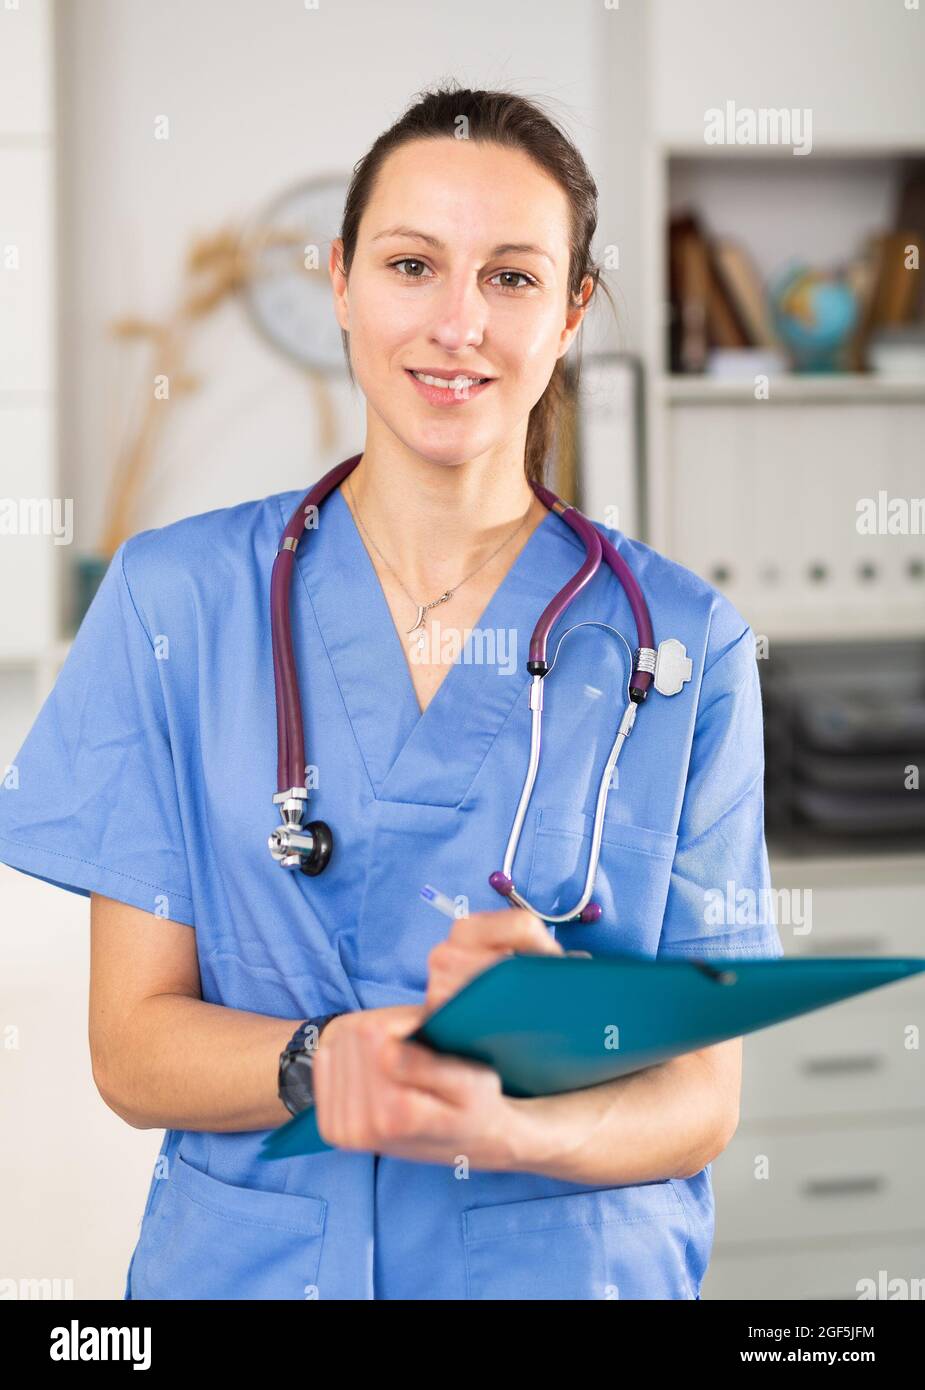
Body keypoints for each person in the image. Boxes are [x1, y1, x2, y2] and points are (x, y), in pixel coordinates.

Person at [0, 83, 782, 1301]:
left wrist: (520, 1121)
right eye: (412, 265)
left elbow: (699, 1098)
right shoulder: (175, 605)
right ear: (341, 281)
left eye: (513, 277)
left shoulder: (682, 647)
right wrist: (333, 1060)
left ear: (572, 312)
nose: (458, 323)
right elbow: (132, 1048)